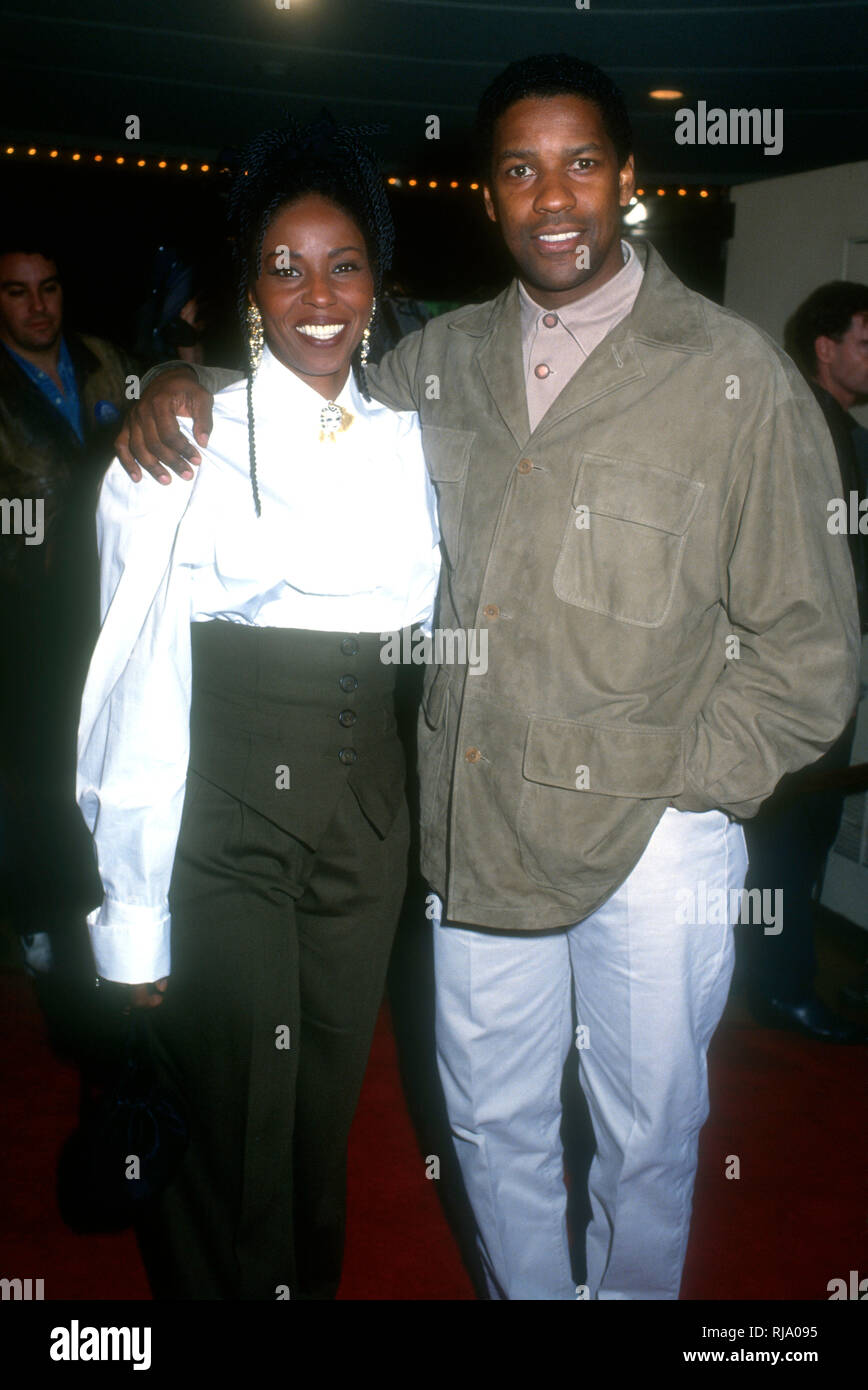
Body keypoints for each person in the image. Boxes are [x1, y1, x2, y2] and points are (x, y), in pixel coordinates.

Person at [115, 55, 860, 1301]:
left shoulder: (735, 381)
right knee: (490, 1129)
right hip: (475, 833)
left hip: (650, 836)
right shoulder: (439, 367)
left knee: (645, 1141)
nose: (551, 195)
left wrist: (679, 781)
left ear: (628, 181)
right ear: (489, 193)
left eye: (580, 163)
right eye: (520, 169)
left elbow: (809, 656)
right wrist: (184, 387)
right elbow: (312, 404)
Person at [76, 115, 440, 1300]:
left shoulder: (414, 440)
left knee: (317, 1124)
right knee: (234, 1118)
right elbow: (130, 677)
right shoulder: (175, 441)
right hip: (224, 821)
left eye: (343, 265)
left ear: (378, 284)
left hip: (368, 832)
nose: (317, 293)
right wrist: (131, 906)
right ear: (249, 288)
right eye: (285, 265)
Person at [739, 282, 868, 1043]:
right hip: (795, 676)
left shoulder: (840, 430)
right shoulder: (799, 425)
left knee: (796, 834)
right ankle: (781, 986)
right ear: (826, 348)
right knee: (788, 835)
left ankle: (777, 978)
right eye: (865, 341)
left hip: (820, 672)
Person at [0, 237, 128, 976]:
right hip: (29, 617)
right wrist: (48, 522)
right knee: (43, 775)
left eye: (47, 287)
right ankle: (43, 911)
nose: (38, 305)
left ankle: (109, 902)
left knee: (107, 763)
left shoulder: (106, 361)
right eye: (17, 292)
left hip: (108, 601)